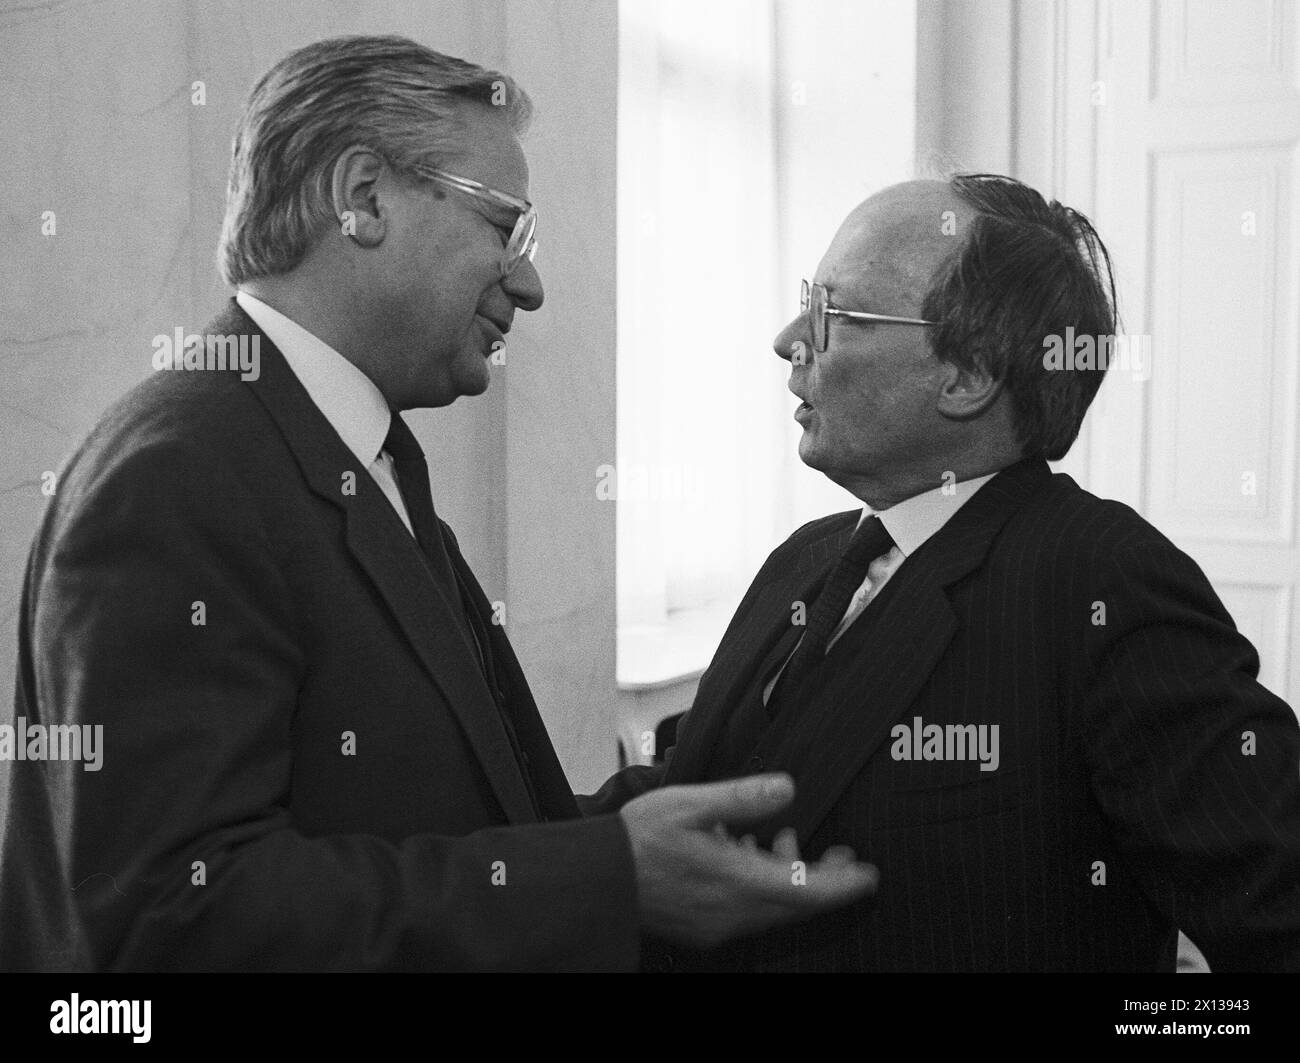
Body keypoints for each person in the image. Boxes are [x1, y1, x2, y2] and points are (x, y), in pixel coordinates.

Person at [0, 35, 875, 972]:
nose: (530, 285)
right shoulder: (176, 477)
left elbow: (460, 813)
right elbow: (168, 923)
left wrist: (648, 835)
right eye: (507, 228)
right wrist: (600, 879)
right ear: (364, 198)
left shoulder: (357, 449)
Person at [583, 174, 1300, 971]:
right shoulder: (808, 557)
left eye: (833, 312)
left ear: (968, 376)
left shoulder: (1101, 580)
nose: (790, 337)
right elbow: (713, 781)